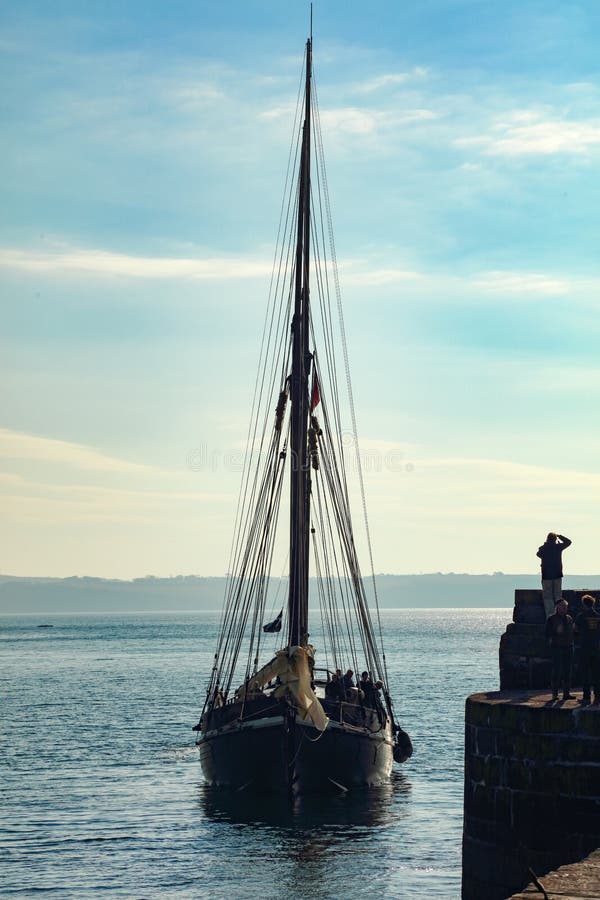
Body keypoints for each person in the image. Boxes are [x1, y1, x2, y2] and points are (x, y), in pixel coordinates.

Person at [545, 598, 575, 701]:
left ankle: (566, 693)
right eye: (562, 606)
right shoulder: (551, 619)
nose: (564, 608)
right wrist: (556, 632)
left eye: (565, 606)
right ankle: (555, 694)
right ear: (557, 607)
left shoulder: (569, 618)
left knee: (568, 670)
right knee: (556, 670)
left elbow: (573, 632)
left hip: (568, 647)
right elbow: (547, 634)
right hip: (556, 647)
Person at [537, 532, 572, 617]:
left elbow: (538, 554)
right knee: (558, 595)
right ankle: (560, 614)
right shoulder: (558, 547)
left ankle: (550, 616)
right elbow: (568, 542)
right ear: (555, 539)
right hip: (557, 574)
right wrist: (560, 536)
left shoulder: (543, 548)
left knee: (548, 597)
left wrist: (545, 545)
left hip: (546, 575)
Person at [574, 594, 600, 705]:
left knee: (585, 673)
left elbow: (575, 630)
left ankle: (586, 696)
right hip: (596, 648)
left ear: (584, 604)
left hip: (585, 648)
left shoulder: (581, 616)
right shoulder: (598, 616)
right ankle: (598, 696)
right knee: (596, 674)